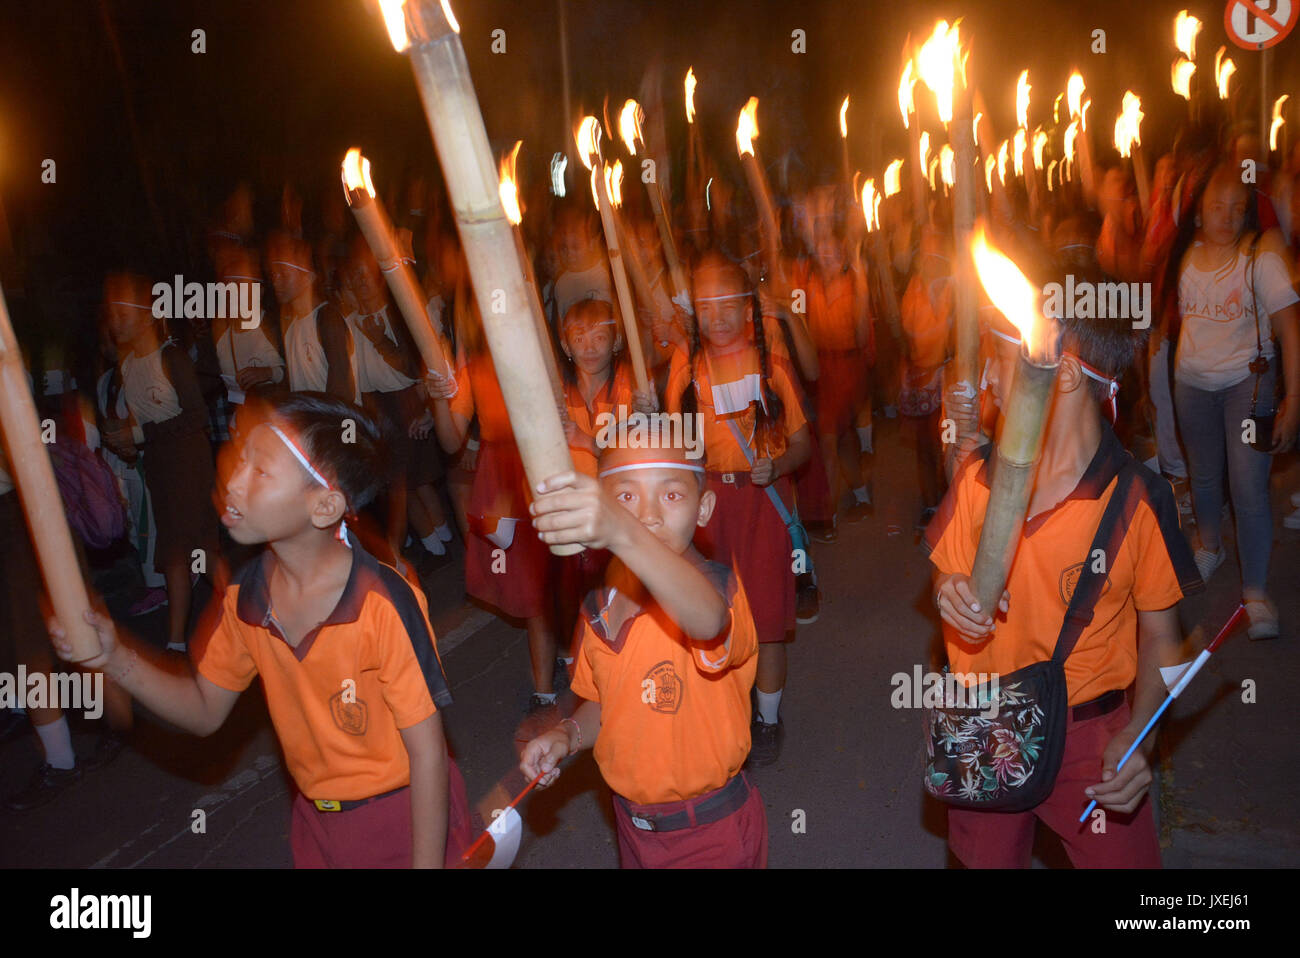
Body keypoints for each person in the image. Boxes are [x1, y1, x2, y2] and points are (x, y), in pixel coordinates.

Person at [49, 393, 470, 868]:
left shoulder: (382, 603)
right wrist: (114, 657)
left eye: (261, 470)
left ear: (325, 505)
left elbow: (429, 753)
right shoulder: (245, 598)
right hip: (317, 821)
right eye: (239, 458)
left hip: (404, 816)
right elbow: (205, 709)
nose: (233, 480)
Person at [925, 304, 1203, 868]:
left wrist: (1142, 737)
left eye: (1002, 359)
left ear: (1064, 372)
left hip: (1092, 742)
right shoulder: (979, 476)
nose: (989, 380)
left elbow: (1162, 638)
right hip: (985, 723)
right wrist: (947, 591)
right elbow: (944, 573)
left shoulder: (1137, 501)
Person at [520, 438, 767, 868]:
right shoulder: (601, 602)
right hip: (633, 825)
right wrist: (567, 735)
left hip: (708, 832)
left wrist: (626, 530)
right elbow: (606, 701)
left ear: (704, 508)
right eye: (626, 497)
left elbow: (708, 622)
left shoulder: (715, 589)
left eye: (671, 495)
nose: (649, 515)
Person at [664, 250, 811, 766]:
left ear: (748, 307)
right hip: (706, 505)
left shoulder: (769, 363)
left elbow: (801, 442)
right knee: (710, 610)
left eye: (729, 304)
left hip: (761, 503)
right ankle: (721, 714)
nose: (718, 317)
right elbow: (672, 439)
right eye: (707, 306)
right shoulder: (685, 365)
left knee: (766, 615)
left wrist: (779, 463)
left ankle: (767, 720)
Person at [1165, 162, 1300, 638]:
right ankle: (1209, 545)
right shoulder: (1183, 255)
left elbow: (1289, 330)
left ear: (1247, 214)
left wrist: (1295, 400)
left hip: (1248, 388)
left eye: (1236, 208)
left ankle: (1256, 593)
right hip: (1191, 385)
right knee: (1202, 476)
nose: (1226, 215)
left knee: (1248, 490)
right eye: (1216, 206)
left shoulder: (1259, 258)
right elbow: (1172, 325)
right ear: (1198, 211)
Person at [102, 272, 223, 652]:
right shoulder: (127, 366)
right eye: (113, 313)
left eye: (124, 312)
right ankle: (246, 611)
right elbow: (143, 422)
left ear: (148, 314)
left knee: (176, 551)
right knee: (202, 548)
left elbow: (197, 417)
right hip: (159, 469)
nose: (116, 321)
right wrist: (125, 441)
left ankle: (175, 643)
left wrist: (139, 436)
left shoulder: (171, 358)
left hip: (189, 465)